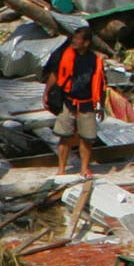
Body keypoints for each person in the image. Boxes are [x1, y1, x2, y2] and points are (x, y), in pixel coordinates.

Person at [44, 23, 105, 181]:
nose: (74, 41)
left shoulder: (95, 60)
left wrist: (102, 106)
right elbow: (55, 75)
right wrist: (46, 93)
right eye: (74, 38)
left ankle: (84, 169)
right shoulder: (66, 55)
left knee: (87, 139)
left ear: (86, 43)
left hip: (87, 104)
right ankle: (61, 169)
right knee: (64, 137)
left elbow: (102, 84)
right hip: (68, 102)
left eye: (78, 39)